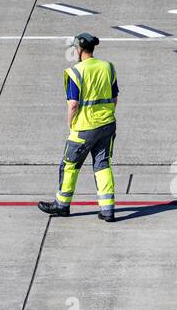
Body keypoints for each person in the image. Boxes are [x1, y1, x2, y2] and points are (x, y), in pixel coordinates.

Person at [38, 32, 118, 222]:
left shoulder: (76, 71)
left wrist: (71, 122)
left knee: (69, 165)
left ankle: (62, 205)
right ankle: (107, 210)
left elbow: (73, 103)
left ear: (80, 49)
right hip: (107, 124)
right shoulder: (108, 67)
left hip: (84, 127)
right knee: (102, 164)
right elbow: (114, 98)